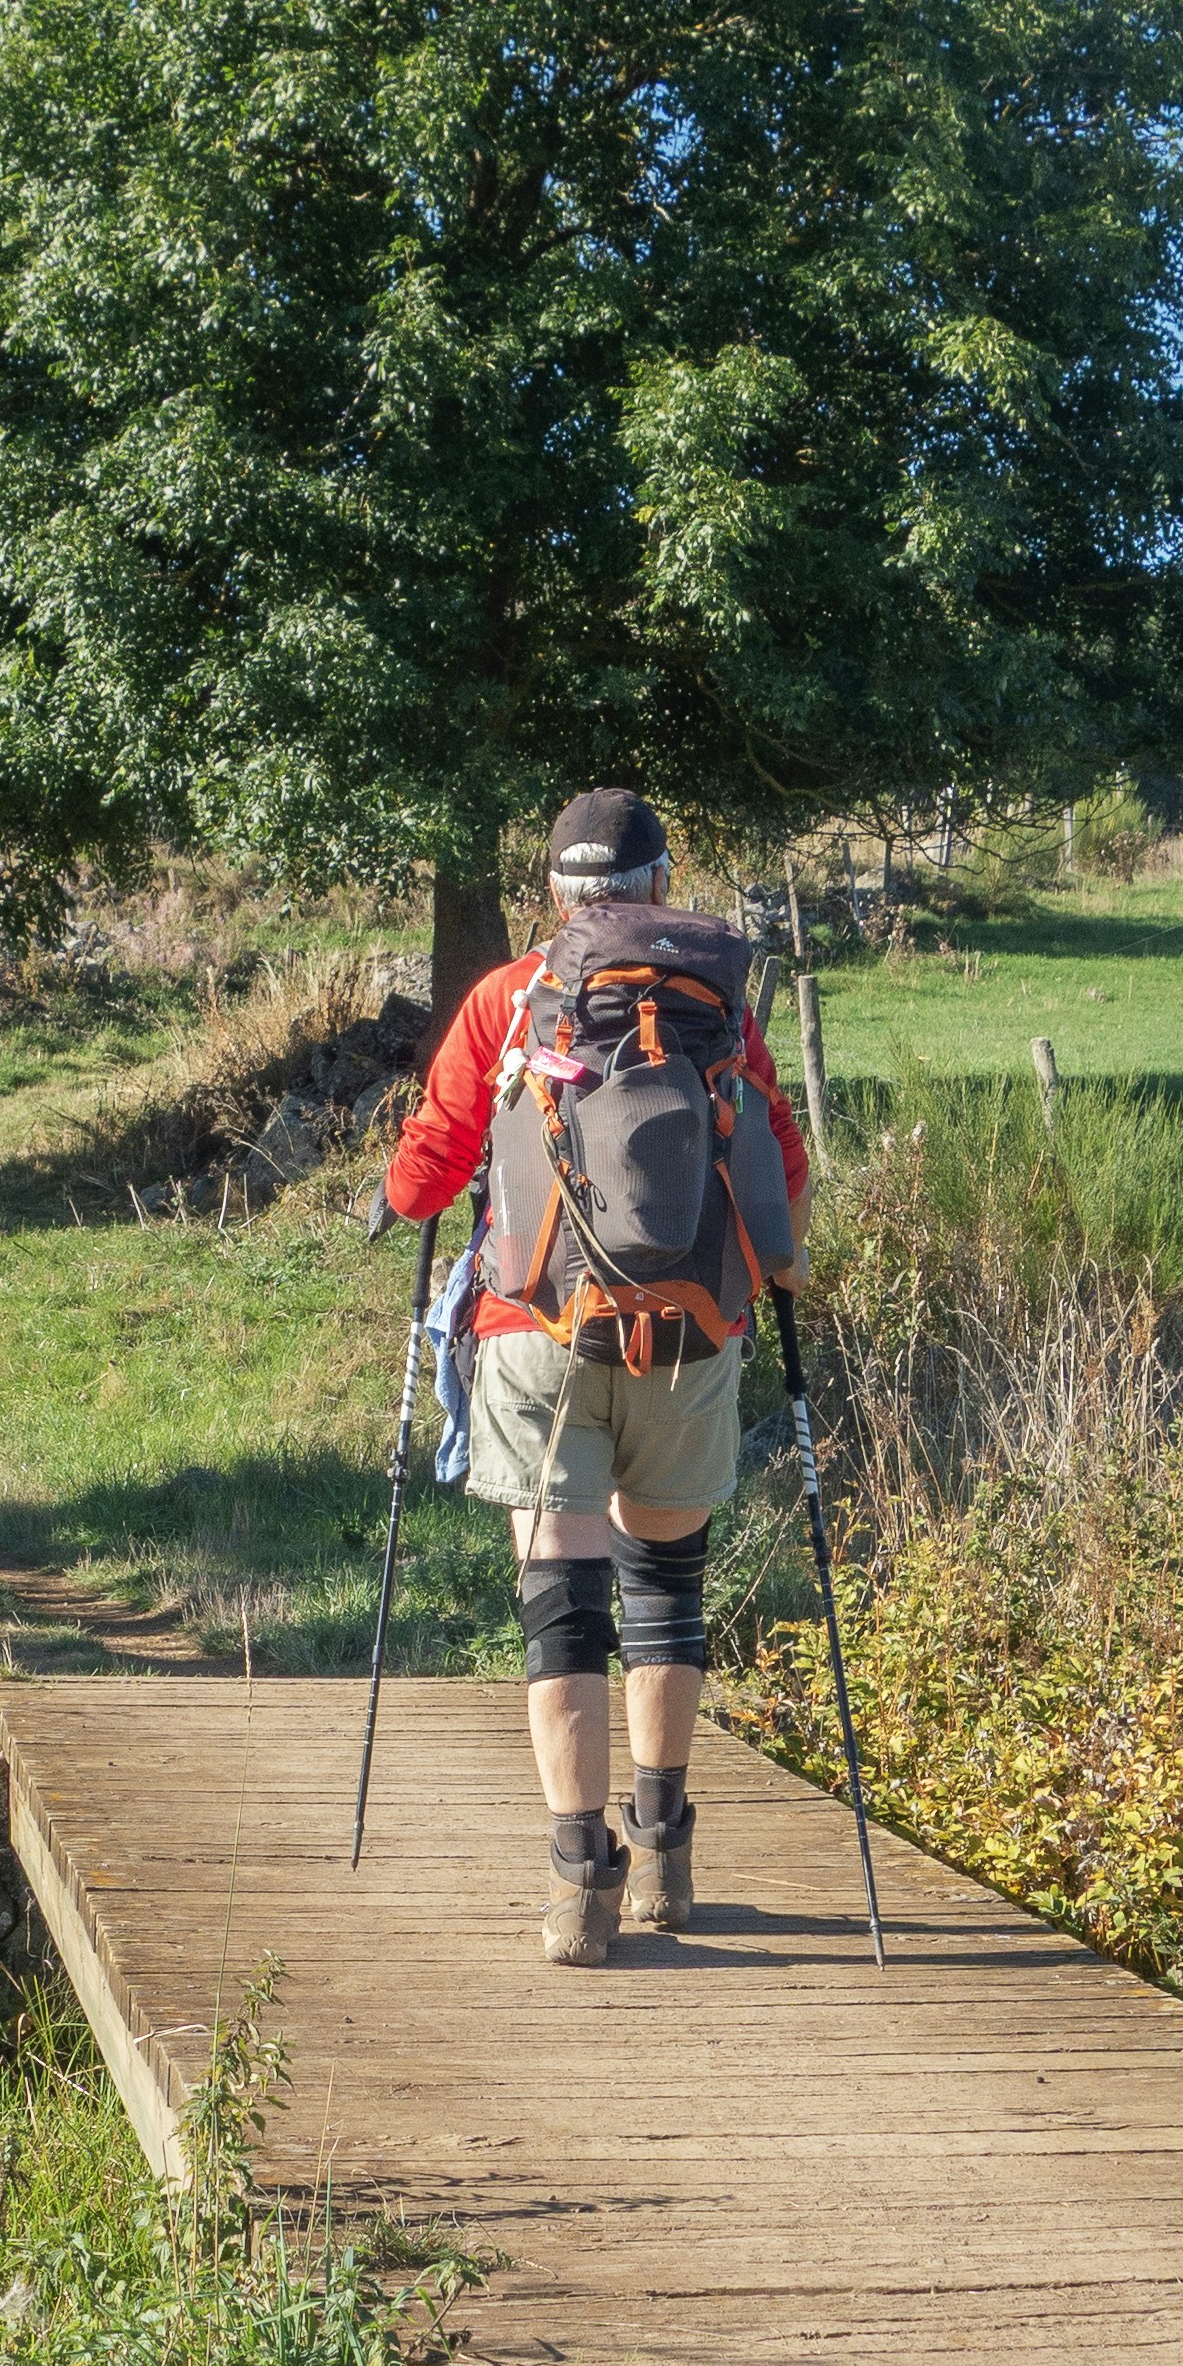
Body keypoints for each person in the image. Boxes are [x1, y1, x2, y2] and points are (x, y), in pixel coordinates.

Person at [371, 788, 812, 1962]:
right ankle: (663, 1848)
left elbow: (435, 1160)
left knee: (561, 1610)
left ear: (553, 896)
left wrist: (398, 1202)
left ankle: (579, 1881)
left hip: (536, 1329)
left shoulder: (509, 998)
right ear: (660, 887)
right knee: (666, 1588)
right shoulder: (715, 1000)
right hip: (689, 1325)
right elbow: (781, 1156)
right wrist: (769, 1270)